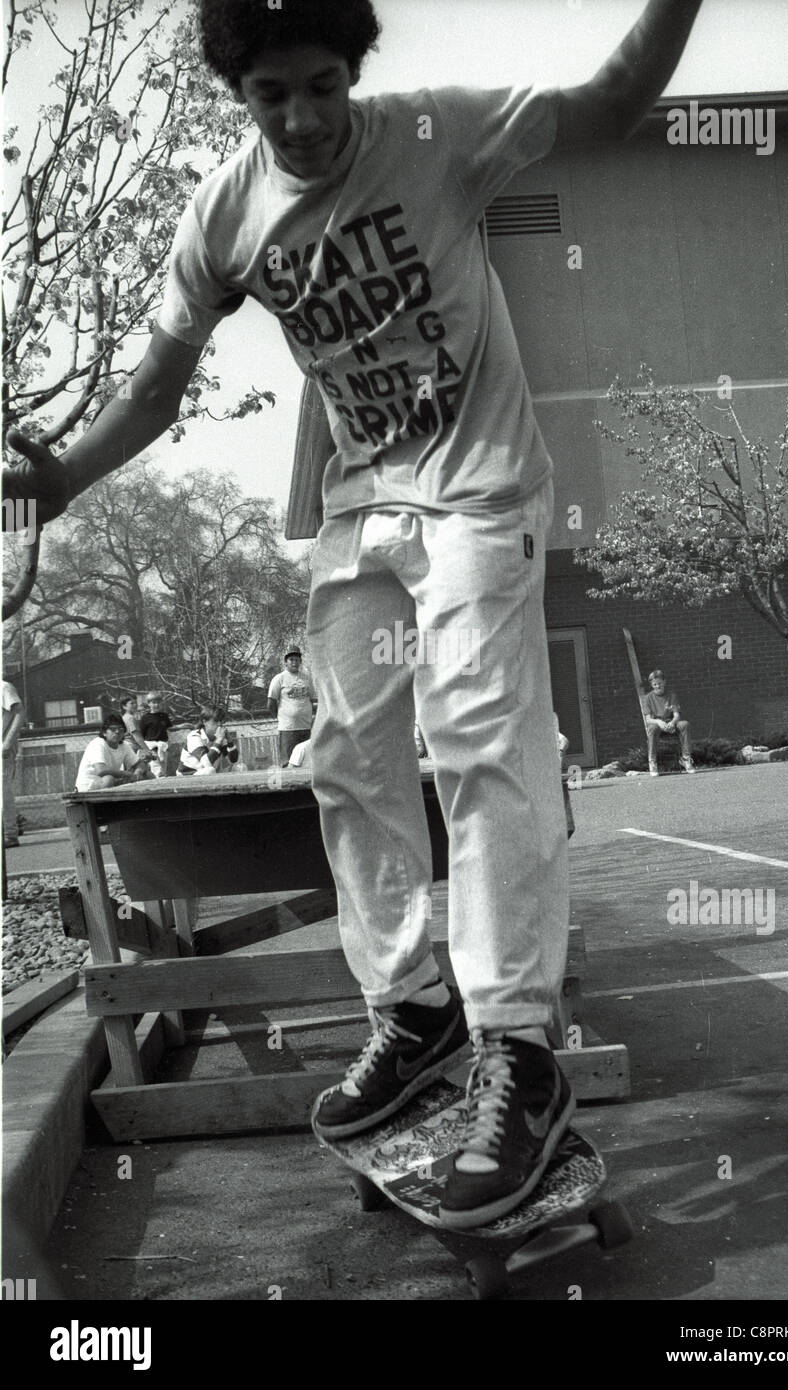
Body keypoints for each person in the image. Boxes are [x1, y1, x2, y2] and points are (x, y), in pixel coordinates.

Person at [1, 0, 703, 1227]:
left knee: (482, 744)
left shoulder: (438, 133)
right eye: (275, 94)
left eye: (325, 86)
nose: (305, 118)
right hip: (361, 507)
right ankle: (415, 1010)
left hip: (478, 495)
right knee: (345, 758)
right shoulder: (222, 215)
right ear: (242, 92)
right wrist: (63, 475)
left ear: (356, 72)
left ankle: (518, 1051)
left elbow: (605, 104)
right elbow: (159, 388)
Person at [75, 714, 150, 791]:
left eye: (120, 729)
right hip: (87, 787)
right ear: (104, 732)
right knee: (108, 779)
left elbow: (140, 763)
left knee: (147, 774)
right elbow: (101, 771)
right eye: (113, 729)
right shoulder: (98, 743)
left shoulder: (123, 745)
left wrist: (138, 771)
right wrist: (126, 774)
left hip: (110, 783)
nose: (117, 732)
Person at [642, 669, 695, 776]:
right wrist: (658, 722)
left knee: (684, 724)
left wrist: (672, 722)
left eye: (659, 683)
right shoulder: (647, 698)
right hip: (657, 724)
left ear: (664, 682)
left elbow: (676, 715)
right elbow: (648, 719)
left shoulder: (672, 695)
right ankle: (652, 761)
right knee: (651, 728)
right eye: (654, 684)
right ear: (652, 685)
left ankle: (686, 758)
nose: (657, 686)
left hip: (671, 723)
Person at [267, 649, 315, 767]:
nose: (295, 662)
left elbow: (313, 699)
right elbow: (271, 703)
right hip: (288, 728)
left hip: (306, 727)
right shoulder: (279, 678)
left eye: (297, 659)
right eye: (291, 659)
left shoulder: (307, 678)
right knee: (289, 763)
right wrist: (282, 717)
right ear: (285, 662)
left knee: (306, 762)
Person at [178, 706, 240, 775]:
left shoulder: (219, 736)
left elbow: (233, 760)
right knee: (209, 771)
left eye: (221, 721)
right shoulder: (194, 736)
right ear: (204, 722)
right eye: (216, 721)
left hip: (207, 773)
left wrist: (230, 741)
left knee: (239, 767)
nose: (219, 724)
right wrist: (218, 740)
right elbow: (206, 762)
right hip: (187, 775)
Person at [2, 680, 25, 847]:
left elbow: (19, 712)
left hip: (2, 748)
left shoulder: (3, 687)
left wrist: (8, 743)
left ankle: (10, 834)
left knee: (3, 792)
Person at [139, 691, 173, 777]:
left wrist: (183, 726)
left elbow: (169, 728)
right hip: (152, 745)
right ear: (149, 704)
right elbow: (142, 734)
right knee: (155, 766)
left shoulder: (164, 716)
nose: (156, 705)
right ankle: (157, 780)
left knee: (164, 765)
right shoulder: (145, 718)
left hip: (162, 744)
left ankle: (163, 780)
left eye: (158, 702)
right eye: (154, 703)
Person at [121, 695, 155, 764]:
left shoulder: (126, 717)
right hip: (132, 747)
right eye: (131, 703)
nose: (135, 705)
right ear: (124, 706)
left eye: (135, 703)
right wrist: (148, 750)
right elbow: (137, 736)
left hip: (129, 747)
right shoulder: (130, 718)